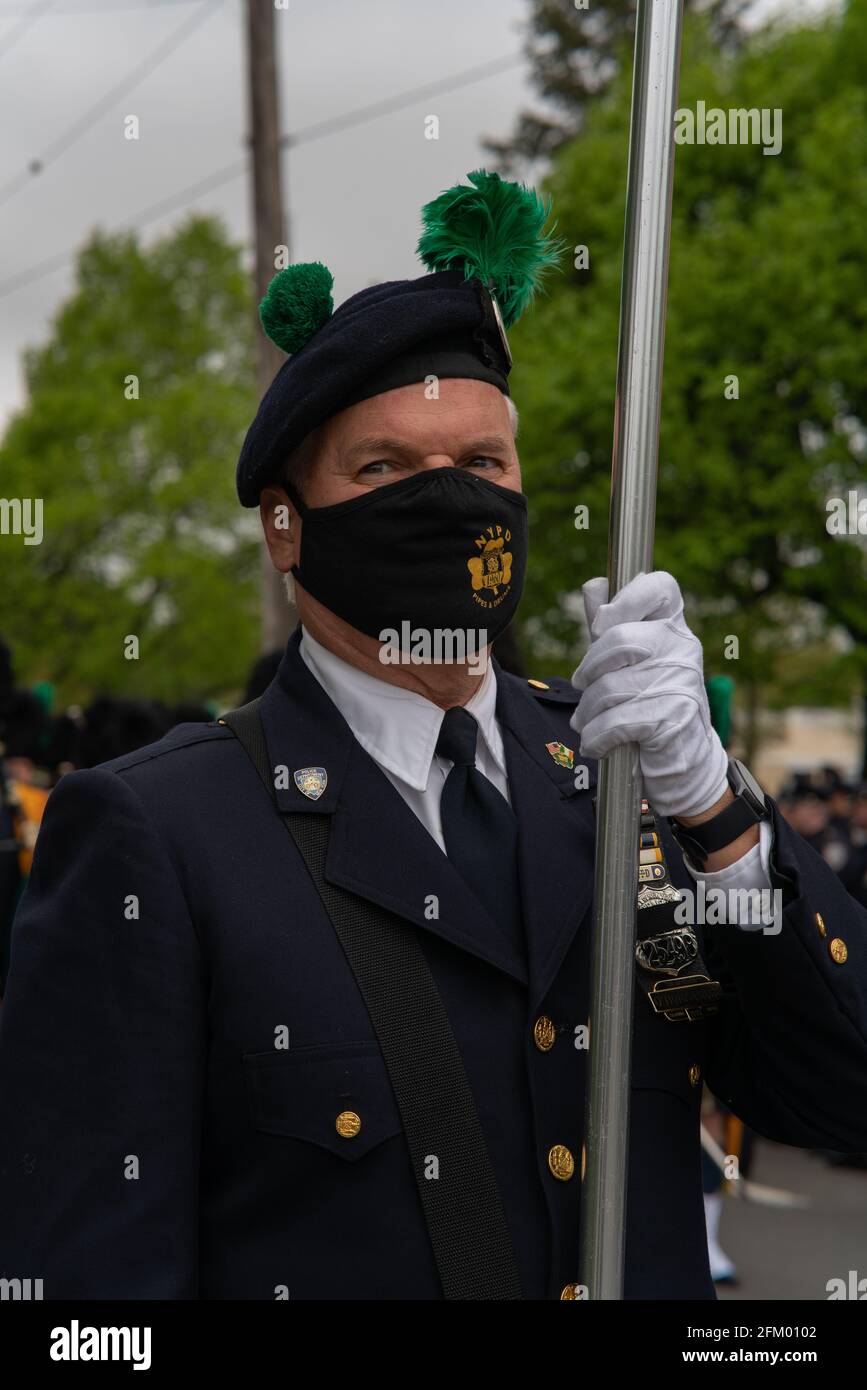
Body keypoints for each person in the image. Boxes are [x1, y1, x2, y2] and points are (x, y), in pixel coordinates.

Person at [1, 171, 866, 1301]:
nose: (447, 500)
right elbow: (90, 1293)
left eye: (480, 466)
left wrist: (716, 812)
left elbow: (839, 1093)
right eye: (385, 469)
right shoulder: (161, 831)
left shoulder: (622, 789)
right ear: (285, 527)